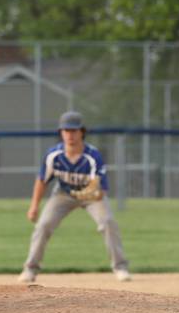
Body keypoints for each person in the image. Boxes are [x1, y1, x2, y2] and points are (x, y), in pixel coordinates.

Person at [18, 111, 131, 283]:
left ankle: (120, 267)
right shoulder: (53, 155)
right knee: (44, 225)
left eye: (74, 130)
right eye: (66, 130)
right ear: (61, 133)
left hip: (92, 196)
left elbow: (101, 191)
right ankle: (30, 269)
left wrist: (86, 193)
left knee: (108, 222)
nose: (70, 134)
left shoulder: (92, 156)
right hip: (63, 194)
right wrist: (34, 206)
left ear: (82, 132)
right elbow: (42, 181)